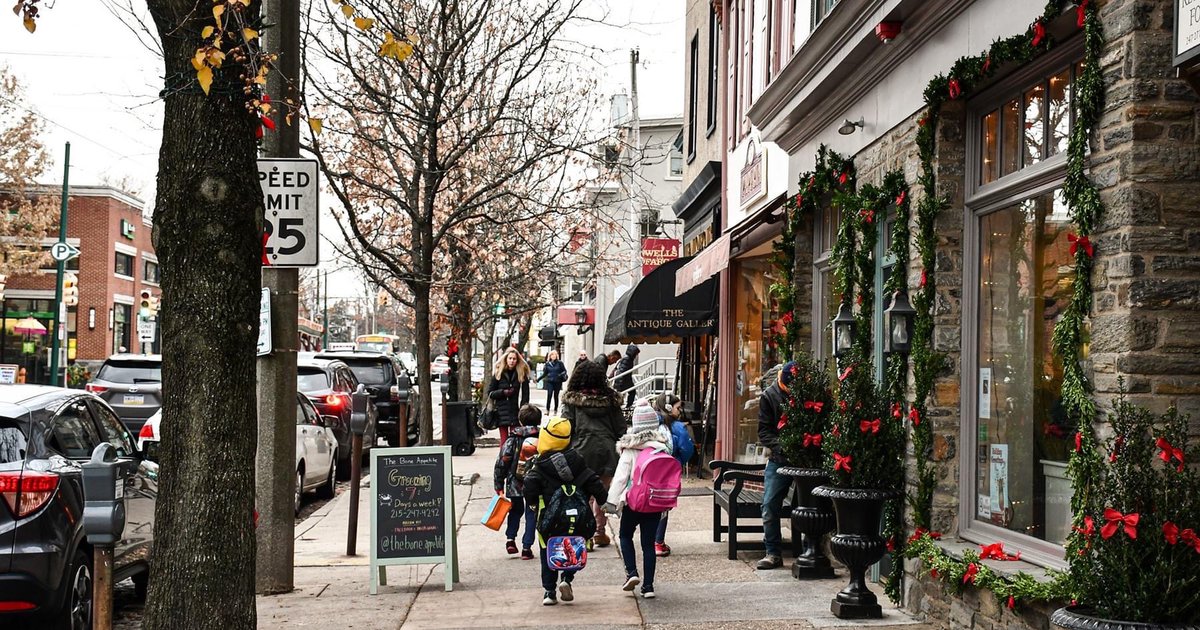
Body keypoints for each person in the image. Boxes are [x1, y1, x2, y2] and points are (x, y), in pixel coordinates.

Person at [523, 416, 607, 606]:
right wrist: (603, 501)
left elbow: (530, 485)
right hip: (577, 518)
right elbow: (594, 482)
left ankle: (549, 591)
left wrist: (533, 503)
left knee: (547, 551)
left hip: (549, 519)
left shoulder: (540, 465)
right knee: (574, 547)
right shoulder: (577, 461)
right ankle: (567, 579)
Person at [603, 404, 676, 599]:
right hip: (654, 503)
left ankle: (632, 573)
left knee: (625, 536)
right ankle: (648, 586)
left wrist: (611, 503)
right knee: (648, 544)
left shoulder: (630, 450)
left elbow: (620, 479)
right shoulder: (662, 449)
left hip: (633, 502)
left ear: (635, 426)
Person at [560, 360, 625, 548]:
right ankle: (599, 531)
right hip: (608, 452)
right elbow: (621, 429)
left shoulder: (572, 402)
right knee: (601, 493)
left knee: (583, 495)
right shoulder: (611, 402)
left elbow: (565, 428)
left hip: (580, 452)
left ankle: (585, 533)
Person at [755, 361, 796, 570]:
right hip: (779, 458)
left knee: (812, 505)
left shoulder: (805, 389)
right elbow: (763, 432)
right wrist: (783, 446)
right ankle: (772, 552)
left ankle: (811, 549)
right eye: (788, 388)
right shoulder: (769, 396)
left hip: (806, 457)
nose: (791, 392)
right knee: (770, 504)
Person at [493, 404, 542, 559]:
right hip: (535, 483)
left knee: (515, 510)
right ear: (539, 421)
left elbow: (502, 461)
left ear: (520, 421)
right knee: (531, 513)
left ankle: (510, 540)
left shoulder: (512, 439)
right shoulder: (542, 438)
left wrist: (499, 484)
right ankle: (527, 548)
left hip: (515, 482)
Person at [650, 392, 686, 557]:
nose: (680, 411)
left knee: (650, 505)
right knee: (663, 505)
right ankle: (658, 542)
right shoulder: (677, 427)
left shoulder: (649, 424)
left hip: (650, 471)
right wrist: (679, 461)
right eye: (678, 408)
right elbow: (686, 448)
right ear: (669, 408)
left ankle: (649, 540)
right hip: (668, 471)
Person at [488, 347, 531, 445]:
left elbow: (526, 394)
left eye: (514, 359)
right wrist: (503, 392)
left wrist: (523, 410)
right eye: (510, 358)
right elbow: (490, 393)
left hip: (515, 411)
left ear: (517, 360)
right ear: (506, 359)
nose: (512, 361)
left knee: (514, 441)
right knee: (504, 442)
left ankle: (512, 455)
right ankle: (503, 455)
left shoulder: (521, 374)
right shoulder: (498, 373)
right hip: (501, 412)